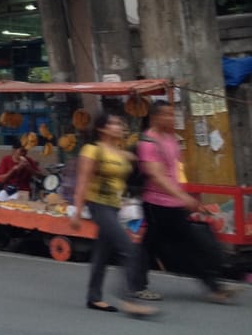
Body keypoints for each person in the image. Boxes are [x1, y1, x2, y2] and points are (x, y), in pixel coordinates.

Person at [137, 101, 234, 304]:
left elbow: (174, 173)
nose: (172, 119)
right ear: (155, 117)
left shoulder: (171, 139)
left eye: (173, 114)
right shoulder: (148, 143)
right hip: (156, 205)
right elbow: (157, 176)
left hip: (173, 204)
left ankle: (214, 285)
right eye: (167, 115)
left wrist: (185, 197)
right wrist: (183, 197)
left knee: (160, 245)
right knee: (172, 245)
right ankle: (213, 286)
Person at [70, 112, 155, 316]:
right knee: (128, 248)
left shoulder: (121, 152)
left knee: (102, 254)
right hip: (98, 205)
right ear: (102, 128)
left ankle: (94, 297)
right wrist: (77, 211)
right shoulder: (92, 150)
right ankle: (130, 298)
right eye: (114, 123)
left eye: (120, 123)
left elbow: (134, 164)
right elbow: (82, 181)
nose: (119, 127)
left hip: (115, 206)